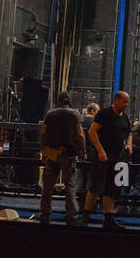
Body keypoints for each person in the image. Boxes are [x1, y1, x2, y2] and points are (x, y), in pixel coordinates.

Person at [84, 91, 132, 229]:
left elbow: (128, 134)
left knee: (112, 188)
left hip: (117, 157)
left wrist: (128, 144)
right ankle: (86, 216)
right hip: (102, 156)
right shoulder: (104, 114)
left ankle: (108, 219)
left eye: (127, 102)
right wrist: (100, 150)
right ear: (116, 100)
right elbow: (92, 132)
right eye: (124, 102)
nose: (126, 105)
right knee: (95, 186)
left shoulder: (125, 118)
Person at [40, 92, 86, 226]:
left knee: (47, 187)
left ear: (58, 101)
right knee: (70, 185)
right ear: (69, 101)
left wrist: (43, 151)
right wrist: (83, 152)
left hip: (52, 153)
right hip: (68, 154)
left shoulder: (50, 114)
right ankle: (71, 216)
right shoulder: (74, 114)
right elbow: (80, 135)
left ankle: (45, 215)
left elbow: (43, 134)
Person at [74, 102, 99, 200]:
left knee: (80, 177)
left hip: (80, 152)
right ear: (93, 111)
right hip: (92, 152)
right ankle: (87, 202)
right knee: (91, 178)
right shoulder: (95, 123)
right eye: (98, 111)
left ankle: (78, 199)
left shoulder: (81, 121)